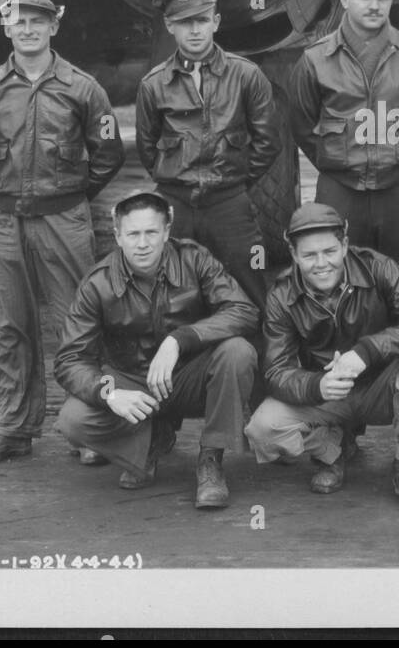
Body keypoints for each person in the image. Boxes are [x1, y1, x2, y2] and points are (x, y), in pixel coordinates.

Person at [0, 0, 124, 466]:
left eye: (38, 21)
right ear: (5, 27)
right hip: (5, 221)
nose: (28, 28)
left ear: (55, 26)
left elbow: (108, 153)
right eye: (19, 21)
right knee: (8, 325)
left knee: (76, 326)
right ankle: (11, 431)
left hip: (64, 220)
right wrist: (7, 189)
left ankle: (90, 431)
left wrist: (69, 196)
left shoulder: (83, 88)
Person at [54, 192, 259, 508]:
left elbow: (243, 310)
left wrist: (180, 339)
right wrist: (107, 393)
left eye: (151, 232)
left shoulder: (195, 259)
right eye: (133, 234)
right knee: (73, 419)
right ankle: (150, 439)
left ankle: (210, 460)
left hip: (189, 377)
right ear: (118, 236)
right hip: (132, 383)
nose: (142, 243)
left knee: (238, 352)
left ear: (167, 231)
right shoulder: (98, 283)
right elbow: (70, 359)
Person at [244, 203, 399, 511]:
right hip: (330, 394)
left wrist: (367, 351)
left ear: (344, 245)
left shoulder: (379, 267)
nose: (321, 263)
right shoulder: (281, 295)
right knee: (262, 429)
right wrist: (317, 385)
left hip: (385, 384)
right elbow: (275, 371)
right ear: (293, 253)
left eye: (329, 251)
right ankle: (332, 450)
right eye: (309, 255)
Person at [289, 0, 399, 297]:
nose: (374, 5)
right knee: (340, 285)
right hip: (341, 191)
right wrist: (337, 161)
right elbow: (302, 125)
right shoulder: (315, 60)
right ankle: (345, 352)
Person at [135, 0, 281, 311]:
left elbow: (267, 140)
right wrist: (175, 178)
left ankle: (259, 359)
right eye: (184, 22)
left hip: (230, 205)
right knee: (176, 292)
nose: (195, 30)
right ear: (169, 25)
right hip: (176, 206)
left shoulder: (246, 76)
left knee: (250, 285)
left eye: (201, 20)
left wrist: (235, 182)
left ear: (216, 21)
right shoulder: (154, 84)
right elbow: (147, 147)